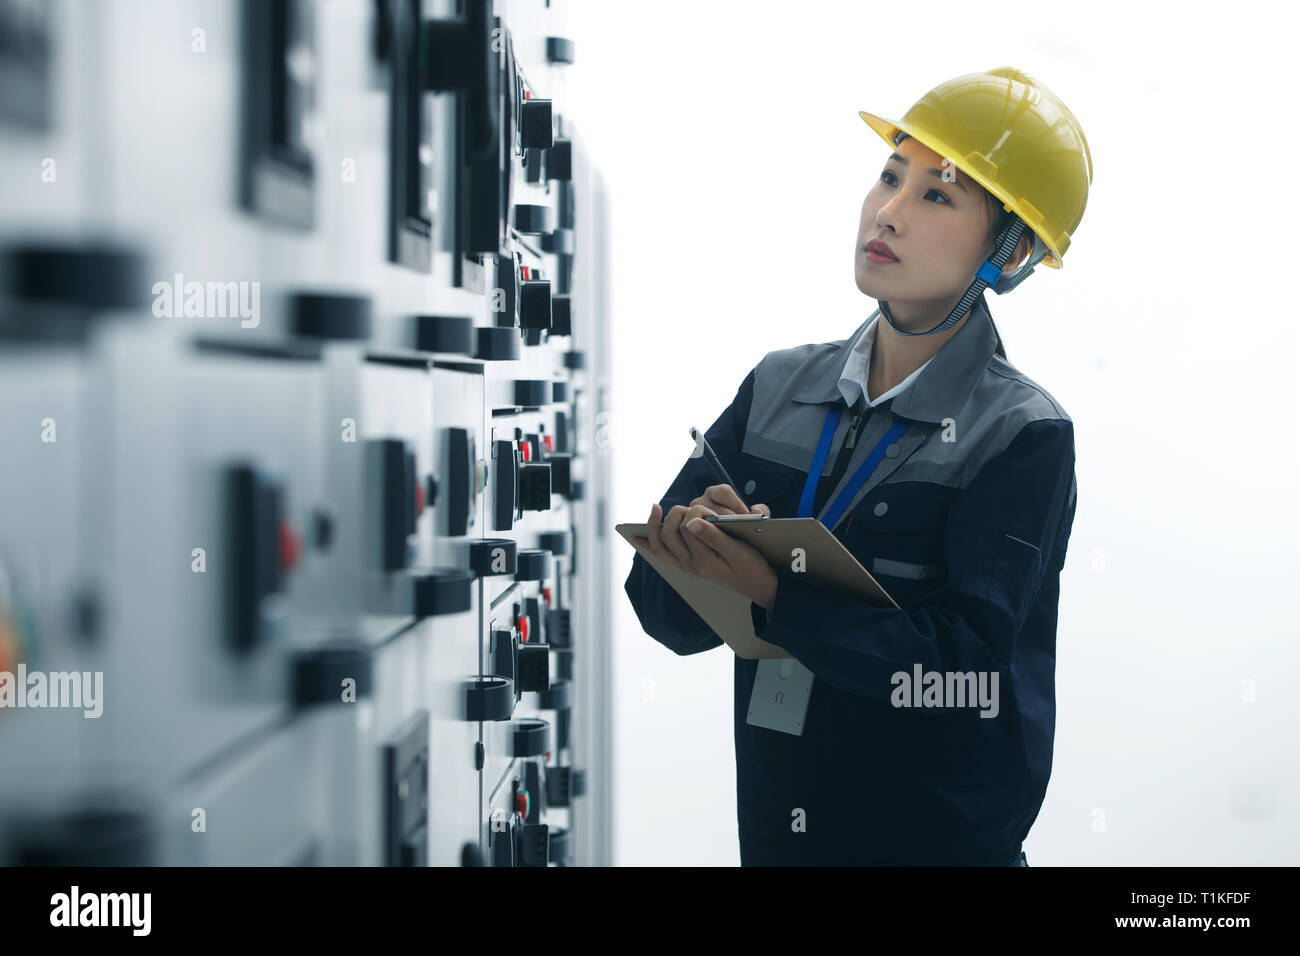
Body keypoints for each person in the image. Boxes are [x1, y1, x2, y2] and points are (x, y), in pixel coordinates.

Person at [624, 67, 1091, 866]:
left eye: (936, 196)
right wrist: (693, 551)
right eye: (889, 176)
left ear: (1008, 251)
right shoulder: (777, 385)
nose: (888, 212)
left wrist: (774, 591)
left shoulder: (1021, 434)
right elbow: (660, 613)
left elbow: (960, 674)